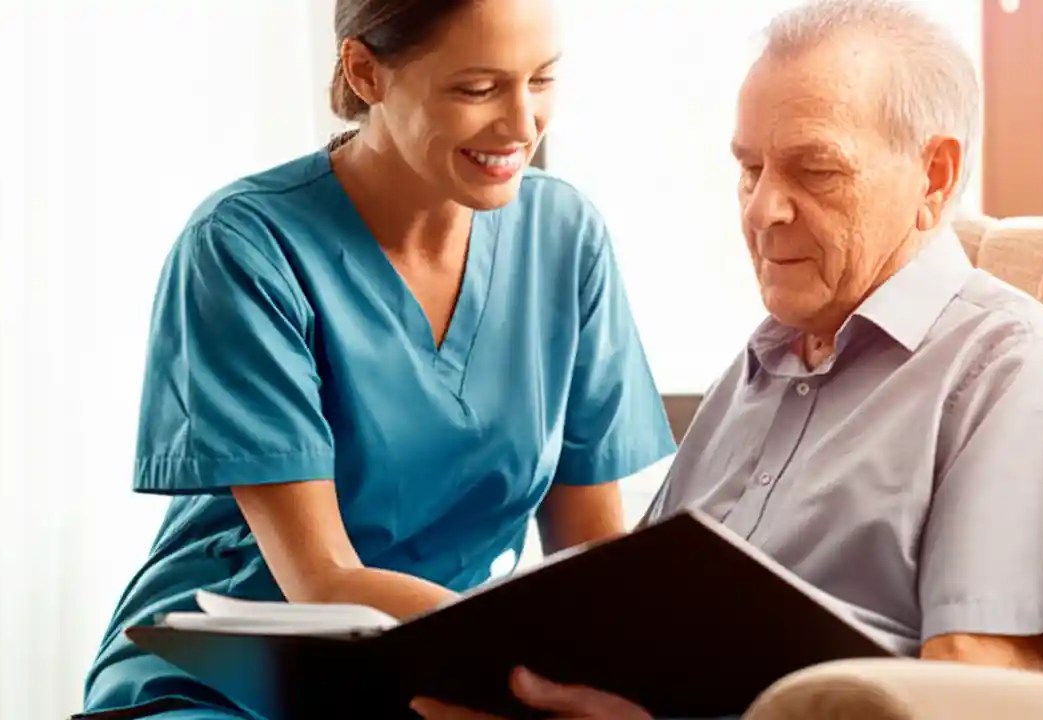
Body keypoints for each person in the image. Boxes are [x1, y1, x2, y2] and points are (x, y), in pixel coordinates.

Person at [411, 0, 1043, 718]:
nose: (762, 211)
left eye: (814, 171)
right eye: (750, 169)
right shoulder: (760, 366)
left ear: (934, 176)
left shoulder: (1014, 371)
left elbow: (975, 695)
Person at [78, 0, 675, 717]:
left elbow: (592, 554)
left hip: (451, 674)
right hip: (234, 684)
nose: (522, 124)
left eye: (541, 80)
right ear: (365, 71)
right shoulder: (245, 247)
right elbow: (323, 579)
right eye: (477, 88)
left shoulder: (565, 238)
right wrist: (510, 661)